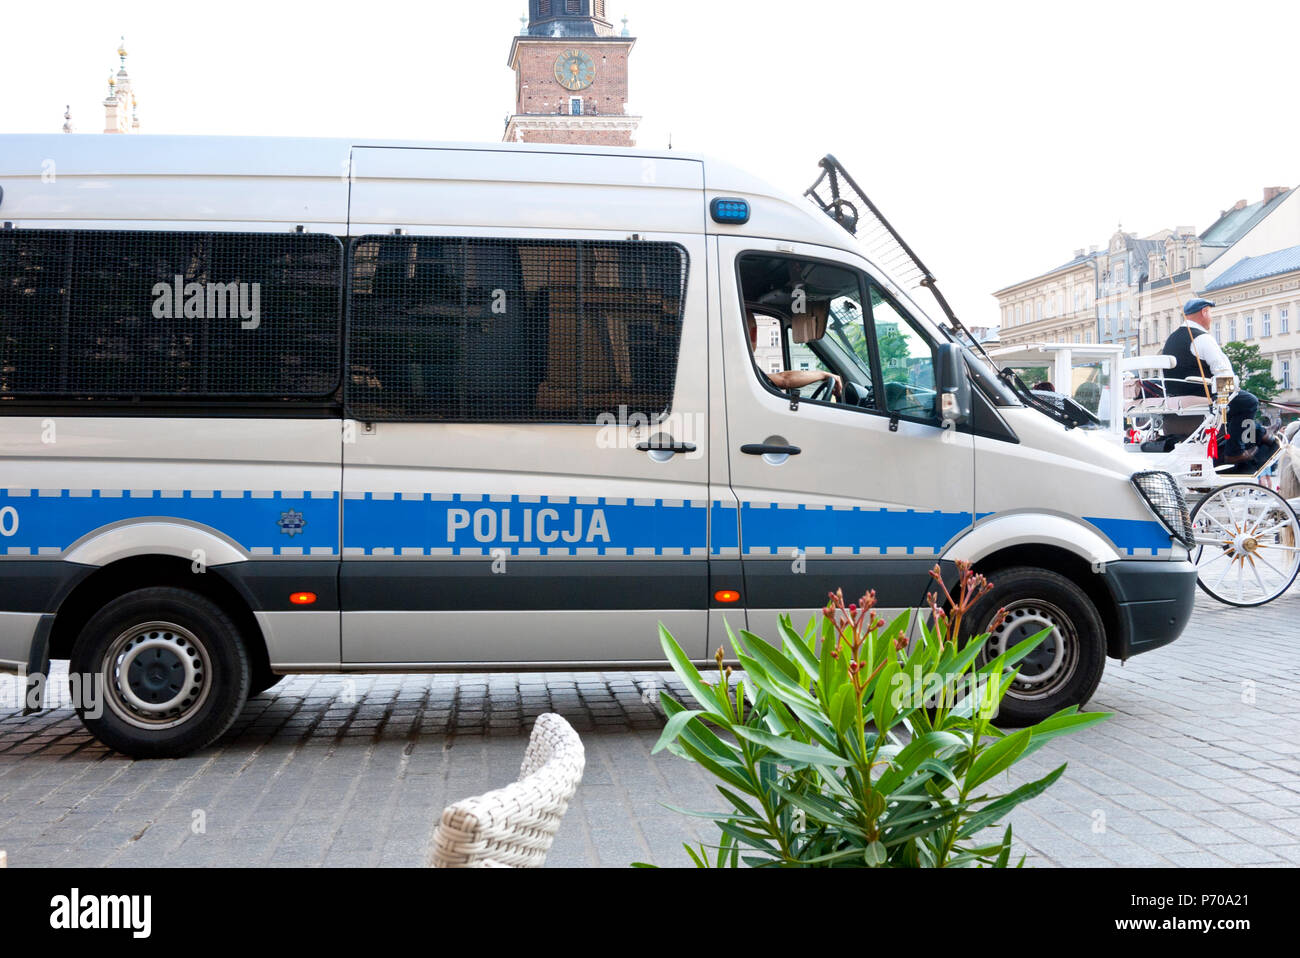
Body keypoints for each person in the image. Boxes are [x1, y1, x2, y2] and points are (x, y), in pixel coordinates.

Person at [1161, 297, 1267, 466]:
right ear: (1204, 312)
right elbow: (1223, 372)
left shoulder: (1172, 339)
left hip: (1178, 394)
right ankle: (1235, 452)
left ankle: (1260, 433)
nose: (1211, 318)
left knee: (1238, 403)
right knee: (1248, 402)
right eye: (1210, 313)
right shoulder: (1202, 338)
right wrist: (1235, 389)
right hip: (1202, 392)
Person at [746, 311, 842, 397]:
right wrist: (823, 374)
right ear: (754, 333)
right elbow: (784, 379)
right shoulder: (742, 371)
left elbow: (784, 379)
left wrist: (822, 374)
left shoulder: (739, 370)